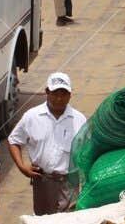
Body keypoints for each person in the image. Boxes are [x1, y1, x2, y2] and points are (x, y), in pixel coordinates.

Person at [8, 71, 88, 215]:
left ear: (70, 95)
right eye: (55, 93)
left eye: (64, 94)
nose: (59, 98)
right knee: (44, 223)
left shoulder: (79, 119)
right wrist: (22, 167)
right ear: (47, 92)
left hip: (70, 183)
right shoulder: (32, 116)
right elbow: (14, 140)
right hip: (43, 182)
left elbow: (88, 150)